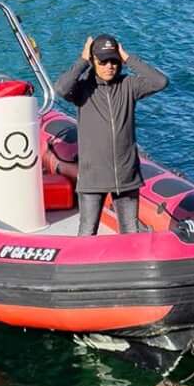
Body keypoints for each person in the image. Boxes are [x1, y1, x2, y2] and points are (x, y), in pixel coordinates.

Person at [51, 33, 168, 235]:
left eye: (113, 61)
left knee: (130, 231)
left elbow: (160, 81)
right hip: (92, 177)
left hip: (126, 176)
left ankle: (130, 265)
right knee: (87, 230)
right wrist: (83, 60)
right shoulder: (82, 90)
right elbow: (60, 88)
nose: (109, 66)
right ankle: (83, 266)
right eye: (103, 61)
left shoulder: (129, 86)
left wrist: (128, 57)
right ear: (94, 61)